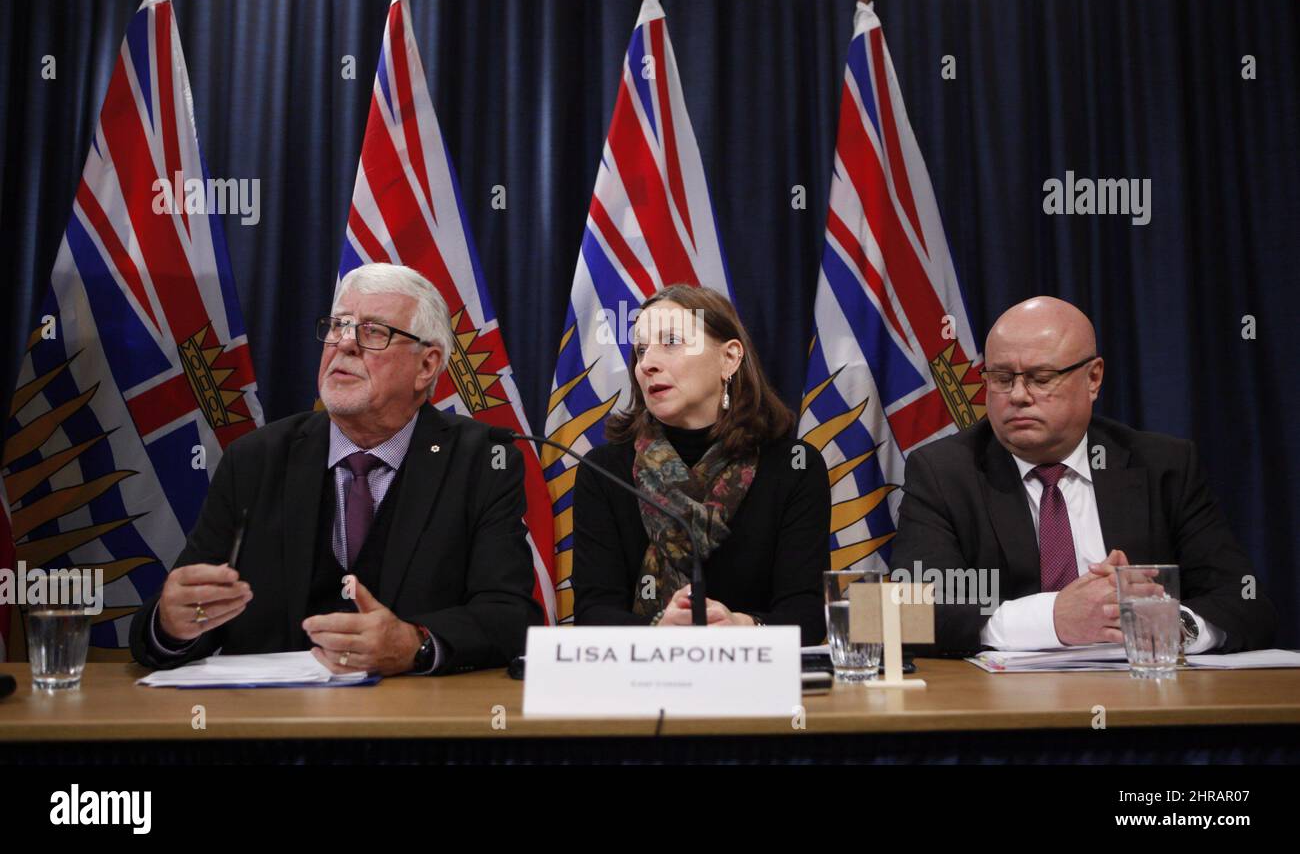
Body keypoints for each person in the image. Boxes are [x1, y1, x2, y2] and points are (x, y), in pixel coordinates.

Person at [129, 263, 541, 675]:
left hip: (413, 725)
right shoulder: (255, 459)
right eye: (338, 326)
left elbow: (510, 616)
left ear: (426, 366)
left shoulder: (482, 461)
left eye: (374, 332)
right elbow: (179, 621)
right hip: (268, 726)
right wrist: (172, 625)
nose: (344, 344)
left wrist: (415, 643)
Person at [891, 296, 1275, 654]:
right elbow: (909, 610)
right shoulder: (944, 472)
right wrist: (1053, 619)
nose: (1019, 395)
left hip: (1143, 707)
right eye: (1002, 378)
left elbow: (1244, 602)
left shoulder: (1164, 465)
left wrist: (1171, 624)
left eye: (1041, 378)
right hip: (1003, 711)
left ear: (1093, 378)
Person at [572, 284, 830, 644]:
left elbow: (807, 613)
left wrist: (743, 627)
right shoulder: (604, 471)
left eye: (672, 342)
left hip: (753, 683)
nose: (647, 364)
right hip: (640, 685)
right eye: (641, 350)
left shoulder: (793, 468)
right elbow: (592, 613)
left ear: (730, 358)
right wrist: (658, 631)